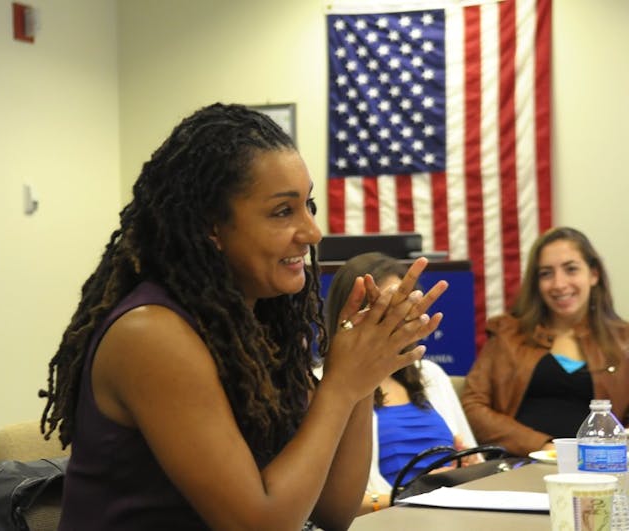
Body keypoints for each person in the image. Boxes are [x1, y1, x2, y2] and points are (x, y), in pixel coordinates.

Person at [38, 103, 446, 530]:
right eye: (283, 211)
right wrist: (341, 386)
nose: (312, 233)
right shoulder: (150, 334)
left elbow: (334, 511)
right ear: (211, 227)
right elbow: (260, 526)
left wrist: (363, 374)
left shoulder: (257, 328)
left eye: (309, 205)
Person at [324, 252, 477, 513]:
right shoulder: (322, 382)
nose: (397, 316)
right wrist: (419, 494)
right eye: (384, 305)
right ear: (350, 312)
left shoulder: (430, 373)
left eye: (404, 304)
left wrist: (469, 467)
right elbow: (329, 507)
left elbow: (476, 462)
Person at [461, 226, 629, 457]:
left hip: (597, 468)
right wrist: (543, 448)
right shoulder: (508, 334)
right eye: (546, 273)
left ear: (593, 274)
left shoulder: (623, 341)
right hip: (517, 464)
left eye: (571, 269)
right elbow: (473, 406)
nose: (559, 284)